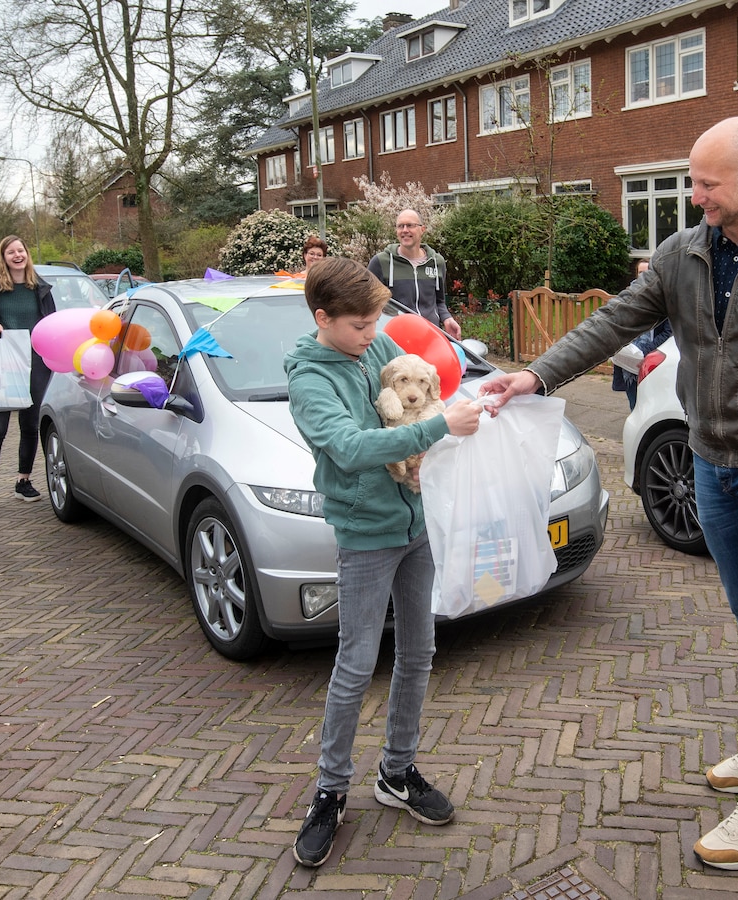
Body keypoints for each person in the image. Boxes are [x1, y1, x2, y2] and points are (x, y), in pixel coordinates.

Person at [479, 117, 738, 871]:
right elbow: (615, 320)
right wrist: (535, 375)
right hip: (708, 465)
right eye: (694, 180)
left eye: (708, 183)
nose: (696, 196)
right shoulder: (683, 254)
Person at [283, 257, 481, 868]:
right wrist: (437, 430)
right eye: (362, 326)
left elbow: (421, 378)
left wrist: (468, 398)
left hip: (416, 523)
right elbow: (348, 448)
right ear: (324, 318)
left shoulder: (376, 342)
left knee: (420, 650)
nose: (376, 335)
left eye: (376, 322)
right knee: (356, 661)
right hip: (366, 533)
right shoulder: (310, 380)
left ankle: (397, 772)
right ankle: (330, 789)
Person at [0, 235, 58, 516]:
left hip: (35, 365)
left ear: (27, 254)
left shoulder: (39, 287)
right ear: (3, 257)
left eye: (21, 251)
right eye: (10, 252)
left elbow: (51, 323)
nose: (17, 255)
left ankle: (23, 481)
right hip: (3, 367)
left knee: (30, 427)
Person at [367, 209, 461, 339]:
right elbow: (368, 303)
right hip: (394, 338)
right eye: (400, 226)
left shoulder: (437, 262)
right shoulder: (380, 262)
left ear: (422, 229)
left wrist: (447, 318)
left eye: (410, 225)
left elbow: (439, 301)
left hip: (430, 336)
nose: (405, 230)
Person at [610, 257, 672, 410]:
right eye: (640, 272)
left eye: (647, 272)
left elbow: (668, 332)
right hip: (628, 364)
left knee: (653, 405)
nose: (643, 276)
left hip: (653, 360)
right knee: (634, 403)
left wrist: (644, 353)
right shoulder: (627, 298)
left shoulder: (664, 300)